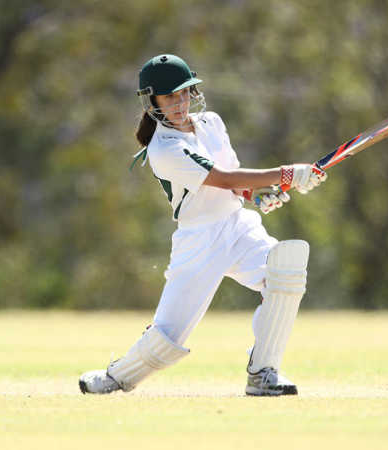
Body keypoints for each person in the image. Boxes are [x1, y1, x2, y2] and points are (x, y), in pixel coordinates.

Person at [79, 54, 327, 396]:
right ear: (152, 102)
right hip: (199, 240)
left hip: (238, 225)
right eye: (169, 97)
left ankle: (263, 373)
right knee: (167, 339)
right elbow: (221, 178)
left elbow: (233, 180)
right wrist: (288, 173)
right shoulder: (163, 148)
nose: (179, 103)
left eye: (183, 93)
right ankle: (116, 376)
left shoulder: (211, 122)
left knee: (286, 273)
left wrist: (256, 196)